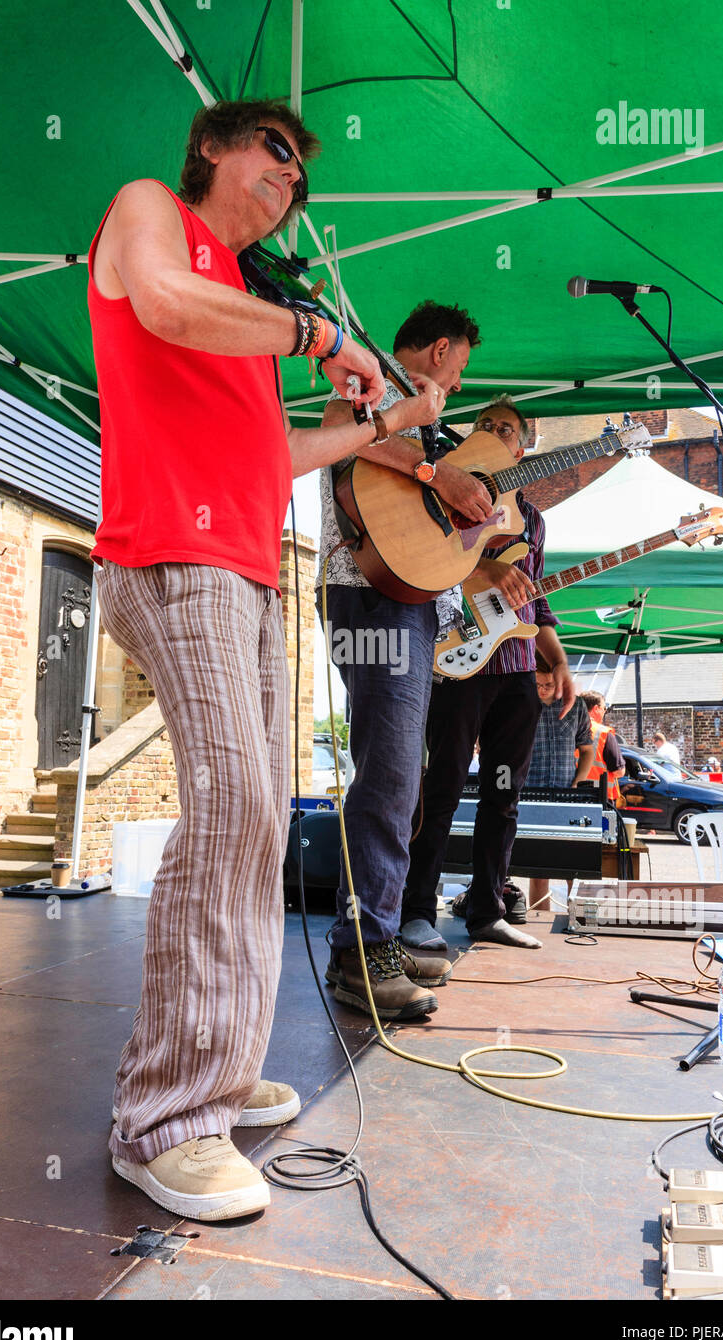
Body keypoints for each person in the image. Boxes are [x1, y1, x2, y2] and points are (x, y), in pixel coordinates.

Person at [86, 97, 450, 1224]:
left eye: (299, 175)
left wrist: (379, 421)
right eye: (275, 153)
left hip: (245, 566)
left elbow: (273, 447)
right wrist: (318, 337)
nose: (289, 181)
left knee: (255, 822)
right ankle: (161, 1119)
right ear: (211, 150)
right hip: (170, 550)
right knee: (237, 805)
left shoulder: (243, 304)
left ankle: (219, 1061)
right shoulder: (151, 216)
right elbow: (159, 302)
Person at [318, 301, 491, 1019]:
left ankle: (378, 929)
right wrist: (436, 473)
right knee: (388, 778)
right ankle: (363, 952)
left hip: (407, 604)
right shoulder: (374, 384)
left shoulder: (417, 412)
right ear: (442, 349)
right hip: (373, 597)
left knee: (401, 779)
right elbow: (335, 435)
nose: (460, 380)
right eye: (461, 365)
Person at [400, 396, 576, 953]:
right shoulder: (451, 497)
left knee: (504, 794)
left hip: (518, 667)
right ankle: (415, 911)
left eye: (506, 429)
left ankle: (487, 910)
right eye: (485, 424)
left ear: (524, 447)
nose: (494, 432)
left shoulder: (536, 518)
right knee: (443, 786)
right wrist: (487, 566)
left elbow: (535, 604)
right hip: (459, 660)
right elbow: (428, 560)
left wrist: (559, 660)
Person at [525, 654, 594, 912]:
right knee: (538, 867)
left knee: (572, 865)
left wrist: (579, 782)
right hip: (531, 792)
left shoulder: (575, 706)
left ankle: (575, 919)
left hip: (567, 793)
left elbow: (587, 749)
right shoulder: (523, 704)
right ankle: (539, 925)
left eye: (548, 685)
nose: (542, 690)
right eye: (537, 685)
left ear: (560, 682)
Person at [578, 691, 625, 800]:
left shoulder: (566, 730)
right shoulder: (602, 733)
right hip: (599, 798)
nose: (605, 712)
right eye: (604, 708)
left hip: (569, 796)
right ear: (596, 709)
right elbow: (619, 771)